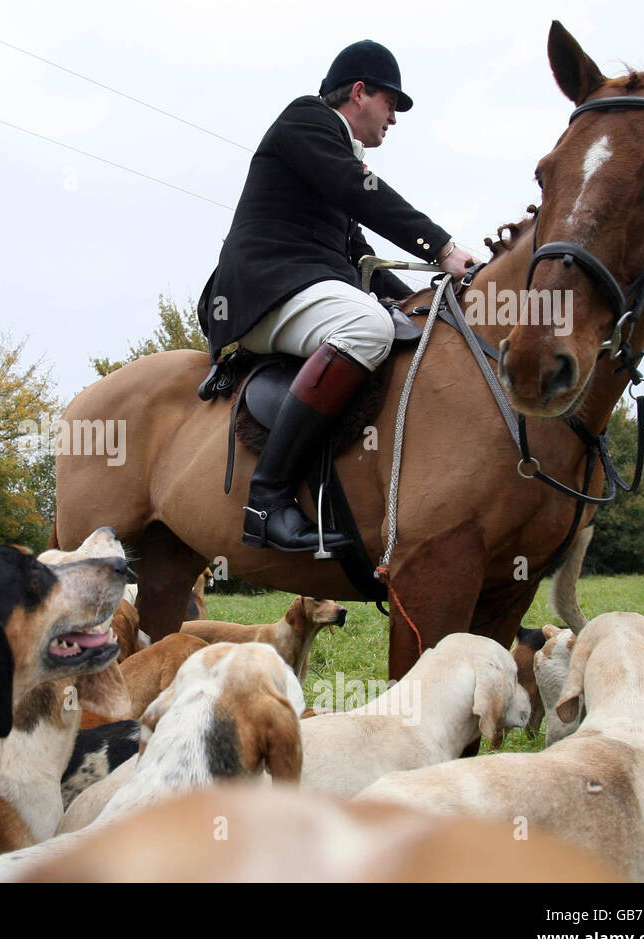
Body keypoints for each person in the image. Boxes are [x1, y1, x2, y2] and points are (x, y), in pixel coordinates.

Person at [198, 40, 476, 554]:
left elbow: (361, 263)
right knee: (368, 327)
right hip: (261, 293)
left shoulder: (335, 157)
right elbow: (359, 189)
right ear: (359, 92)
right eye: (391, 103)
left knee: (394, 320)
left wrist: (429, 298)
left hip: (307, 287)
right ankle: (269, 501)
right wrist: (442, 247)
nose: (394, 118)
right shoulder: (306, 120)